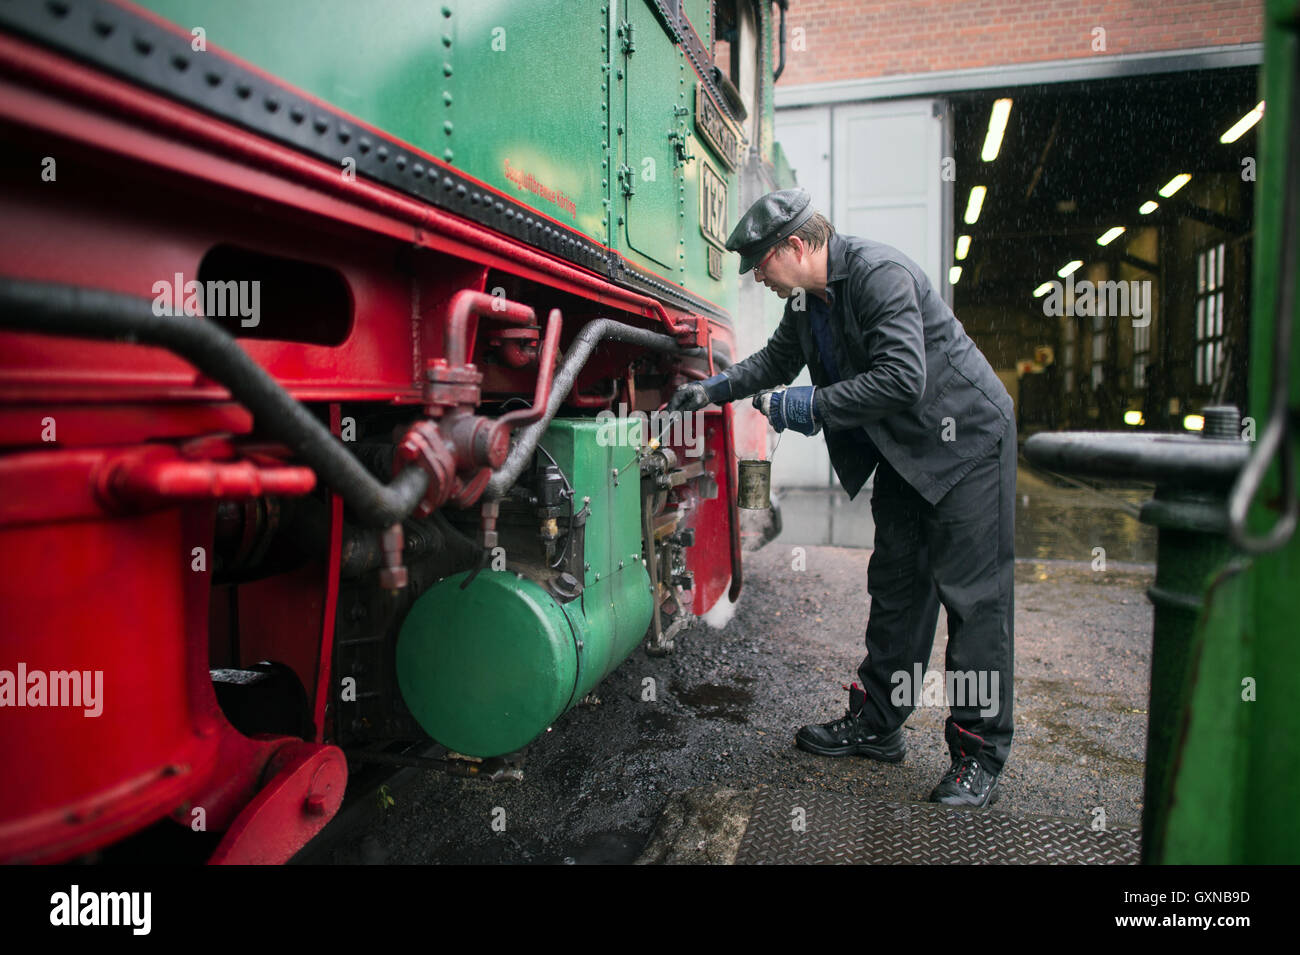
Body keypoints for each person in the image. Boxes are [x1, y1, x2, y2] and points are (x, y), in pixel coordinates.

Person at [667, 188, 1016, 807]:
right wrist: (714, 388)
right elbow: (778, 360)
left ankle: (978, 754)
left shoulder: (880, 275)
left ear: (796, 247)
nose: (758, 279)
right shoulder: (807, 299)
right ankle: (878, 726)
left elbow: (904, 377)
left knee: (974, 601)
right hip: (905, 454)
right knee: (898, 588)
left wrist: (814, 404)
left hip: (966, 445)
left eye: (761, 266)